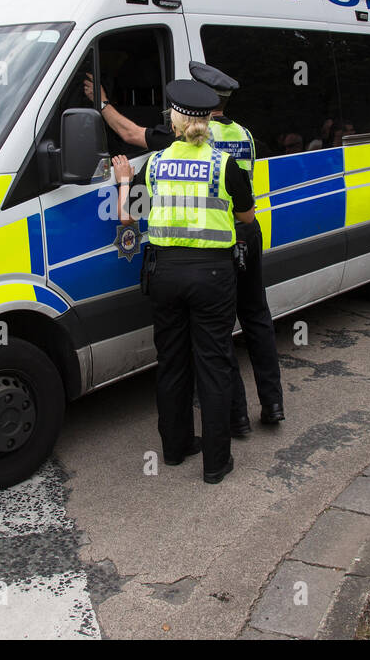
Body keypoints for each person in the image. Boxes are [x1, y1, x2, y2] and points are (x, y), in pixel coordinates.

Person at [112, 79, 255, 485]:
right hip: (212, 275)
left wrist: (124, 180)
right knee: (212, 364)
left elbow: (129, 216)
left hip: (165, 273)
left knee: (172, 363)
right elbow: (246, 217)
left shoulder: (153, 164)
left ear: (174, 122)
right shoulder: (223, 164)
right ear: (207, 122)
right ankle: (215, 463)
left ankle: (174, 448)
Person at [191, 60, 285, 434]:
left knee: (218, 325)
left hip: (220, 236)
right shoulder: (244, 134)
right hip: (249, 231)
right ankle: (273, 403)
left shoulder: (197, 135)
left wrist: (103, 106)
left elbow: (135, 135)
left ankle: (239, 415)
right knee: (257, 318)